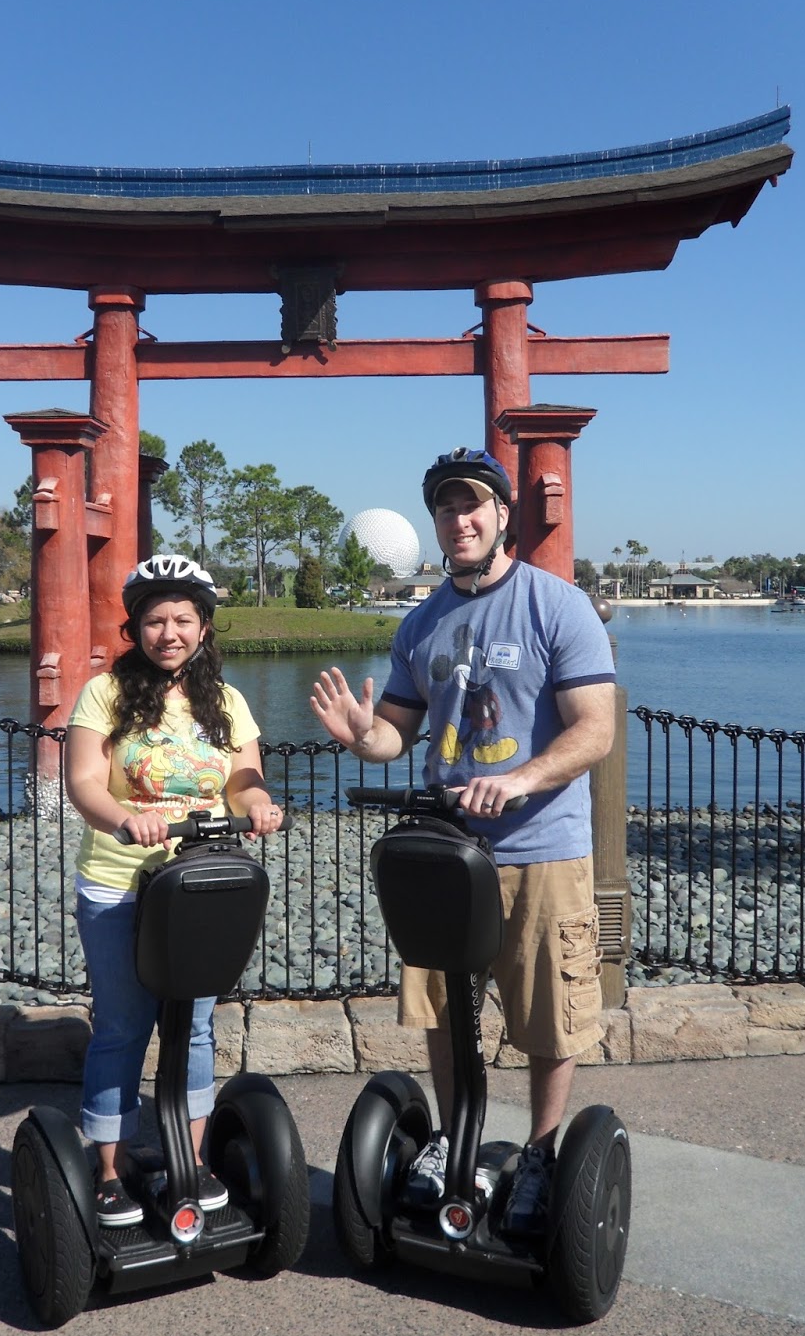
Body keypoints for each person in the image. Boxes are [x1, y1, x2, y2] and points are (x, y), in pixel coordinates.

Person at [310, 449, 615, 1233]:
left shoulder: (558, 607)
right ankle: (453, 1143)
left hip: (540, 846)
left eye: (474, 505)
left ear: (503, 513)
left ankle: (544, 1154)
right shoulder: (422, 622)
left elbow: (595, 731)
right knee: (447, 1014)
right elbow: (396, 735)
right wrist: (360, 735)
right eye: (447, 509)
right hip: (448, 850)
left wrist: (520, 779)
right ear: (436, 523)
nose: (461, 520)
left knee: (549, 1013)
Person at [65, 553, 285, 1229]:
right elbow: (84, 782)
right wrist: (127, 817)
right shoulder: (104, 694)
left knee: (191, 1029)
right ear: (137, 628)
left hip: (197, 886)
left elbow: (242, 777)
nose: (170, 633)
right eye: (156, 620)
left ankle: (189, 1162)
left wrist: (259, 804)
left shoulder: (228, 701)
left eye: (183, 620)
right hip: (120, 884)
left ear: (204, 627)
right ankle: (109, 1168)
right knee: (124, 1026)